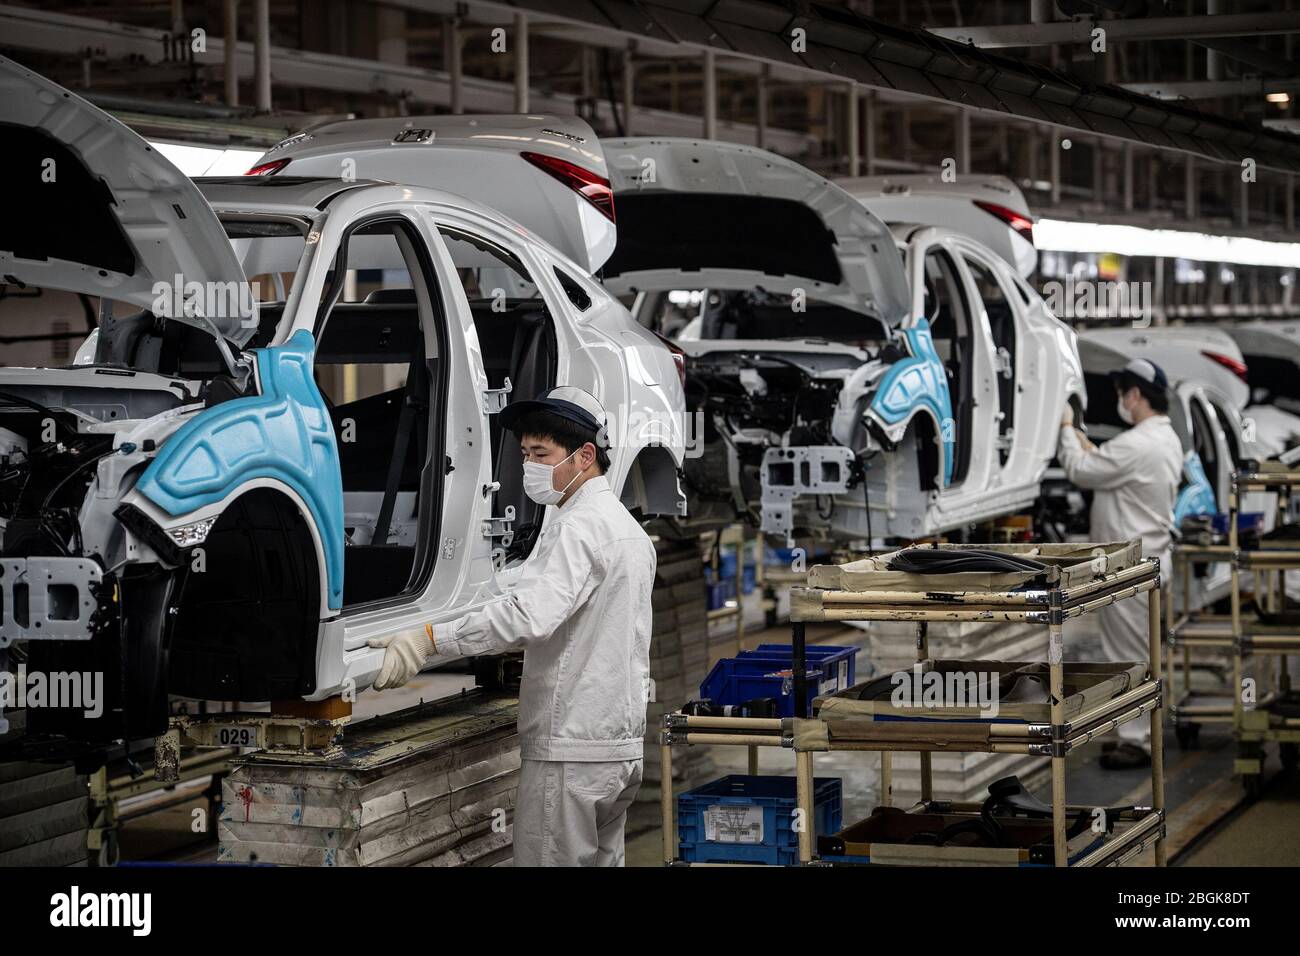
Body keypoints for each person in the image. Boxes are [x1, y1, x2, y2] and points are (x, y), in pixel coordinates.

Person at [366, 386, 657, 865]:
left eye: (542, 454)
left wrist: (429, 640)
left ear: (585, 456)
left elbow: (531, 616)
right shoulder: (627, 529)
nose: (530, 467)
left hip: (571, 750)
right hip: (617, 748)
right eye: (524, 454)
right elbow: (541, 594)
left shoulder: (577, 527)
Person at [1058, 358, 1183, 770]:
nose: (1119, 401)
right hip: (1149, 560)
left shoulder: (1139, 443)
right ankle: (1137, 731)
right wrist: (1085, 442)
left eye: (1120, 393)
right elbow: (1109, 466)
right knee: (1140, 650)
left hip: (1132, 565)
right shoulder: (1162, 439)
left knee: (1130, 654)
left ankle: (1138, 741)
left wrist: (1064, 428)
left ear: (1135, 395)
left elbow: (1081, 470)